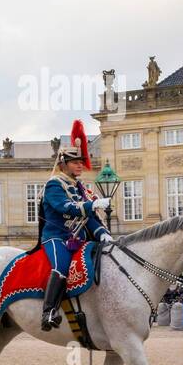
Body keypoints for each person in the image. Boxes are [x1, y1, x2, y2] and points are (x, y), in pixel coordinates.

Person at [38, 124, 111, 331]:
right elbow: (65, 208)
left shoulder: (79, 187)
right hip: (55, 237)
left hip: (78, 238)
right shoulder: (55, 185)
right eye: (75, 162)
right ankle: (48, 312)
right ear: (63, 164)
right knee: (61, 267)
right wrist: (91, 204)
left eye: (81, 162)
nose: (80, 166)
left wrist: (104, 234)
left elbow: (89, 217)